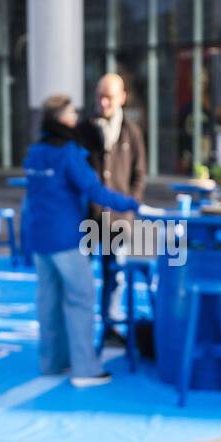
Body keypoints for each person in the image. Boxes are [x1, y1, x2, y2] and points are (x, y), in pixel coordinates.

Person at [25, 95, 140, 388]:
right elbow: (94, 190)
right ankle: (85, 369)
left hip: (39, 240)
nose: (76, 118)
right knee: (80, 301)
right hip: (65, 239)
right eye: (72, 113)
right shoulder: (69, 153)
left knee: (48, 302)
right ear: (62, 119)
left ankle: (52, 362)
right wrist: (133, 204)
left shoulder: (35, 152)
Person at [78, 73, 147, 346]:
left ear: (122, 97)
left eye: (109, 96)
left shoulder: (132, 132)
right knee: (82, 278)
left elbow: (139, 174)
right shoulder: (84, 131)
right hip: (87, 217)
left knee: (115, 274)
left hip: (119, 219)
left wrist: (130, 203)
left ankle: (110, 326)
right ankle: (82, 331)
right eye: (99, 96)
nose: (103, 102)